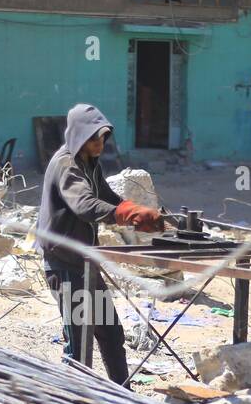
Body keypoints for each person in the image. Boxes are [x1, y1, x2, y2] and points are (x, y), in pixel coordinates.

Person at [37, 103, 163, 384]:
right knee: (80, 344)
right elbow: (84, 205)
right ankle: (77, 403)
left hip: (85, 262)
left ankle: (122, 394)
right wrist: (128, 214)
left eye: (103, 137)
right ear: (80, 135)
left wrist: (137, 213)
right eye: (95, 137)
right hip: (66, 264)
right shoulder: (67, 165)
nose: (100, 143)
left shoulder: (90, 164)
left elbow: (106, 197)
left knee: (110, 332)